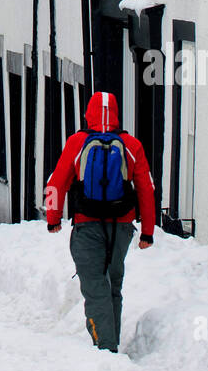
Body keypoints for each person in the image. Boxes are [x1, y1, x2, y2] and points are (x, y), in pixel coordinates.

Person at [45, 90, 156, 353]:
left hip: (87, 224)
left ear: (88, 113)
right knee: (113, 284)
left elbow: (55, 182)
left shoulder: (77, 143)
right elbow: (146, 189)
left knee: (95, 286)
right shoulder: (131, 145)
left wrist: (53, 218)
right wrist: (147, 232)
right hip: (122, 226)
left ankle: (106, 349)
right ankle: (110, 343)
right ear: (116, 113)